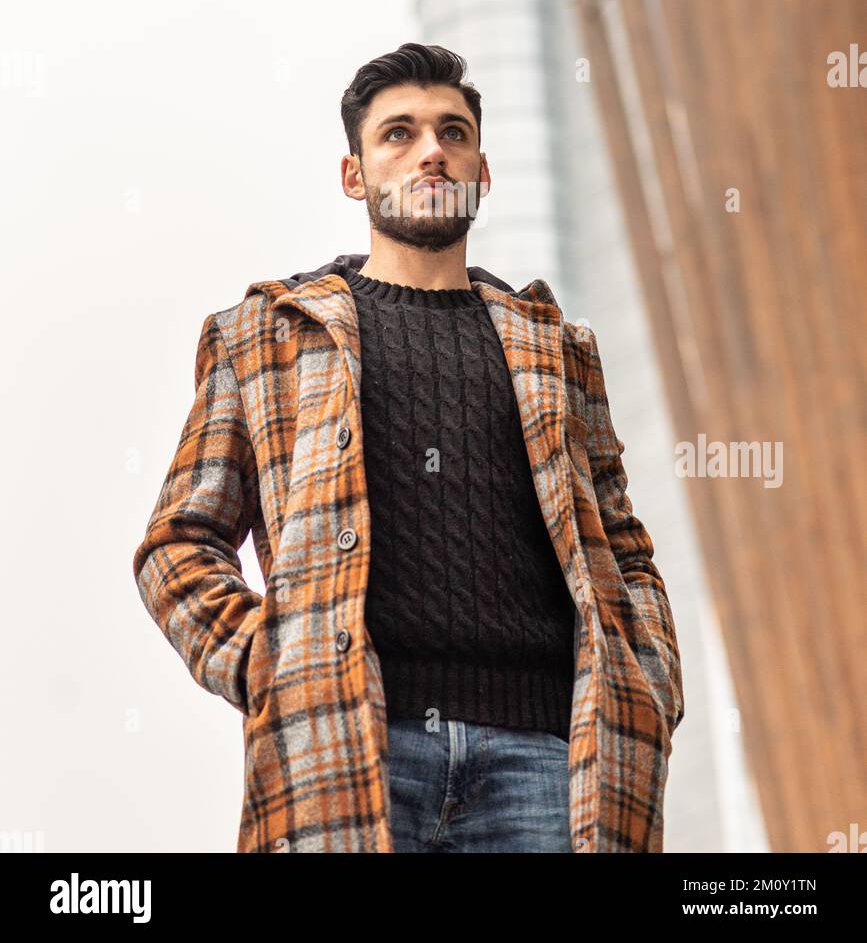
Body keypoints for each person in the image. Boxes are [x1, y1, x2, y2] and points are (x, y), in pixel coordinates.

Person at [132, 41, 684, 853]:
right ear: (354, 175)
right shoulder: (266, 337)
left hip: (546, 760)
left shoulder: (558, 349)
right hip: (350, 748)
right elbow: (177, 543)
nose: (431, 149)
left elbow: (624, 550)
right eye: (399, 133)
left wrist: (649, 675)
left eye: (452, 132)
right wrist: (263, 661)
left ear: (481, 172)